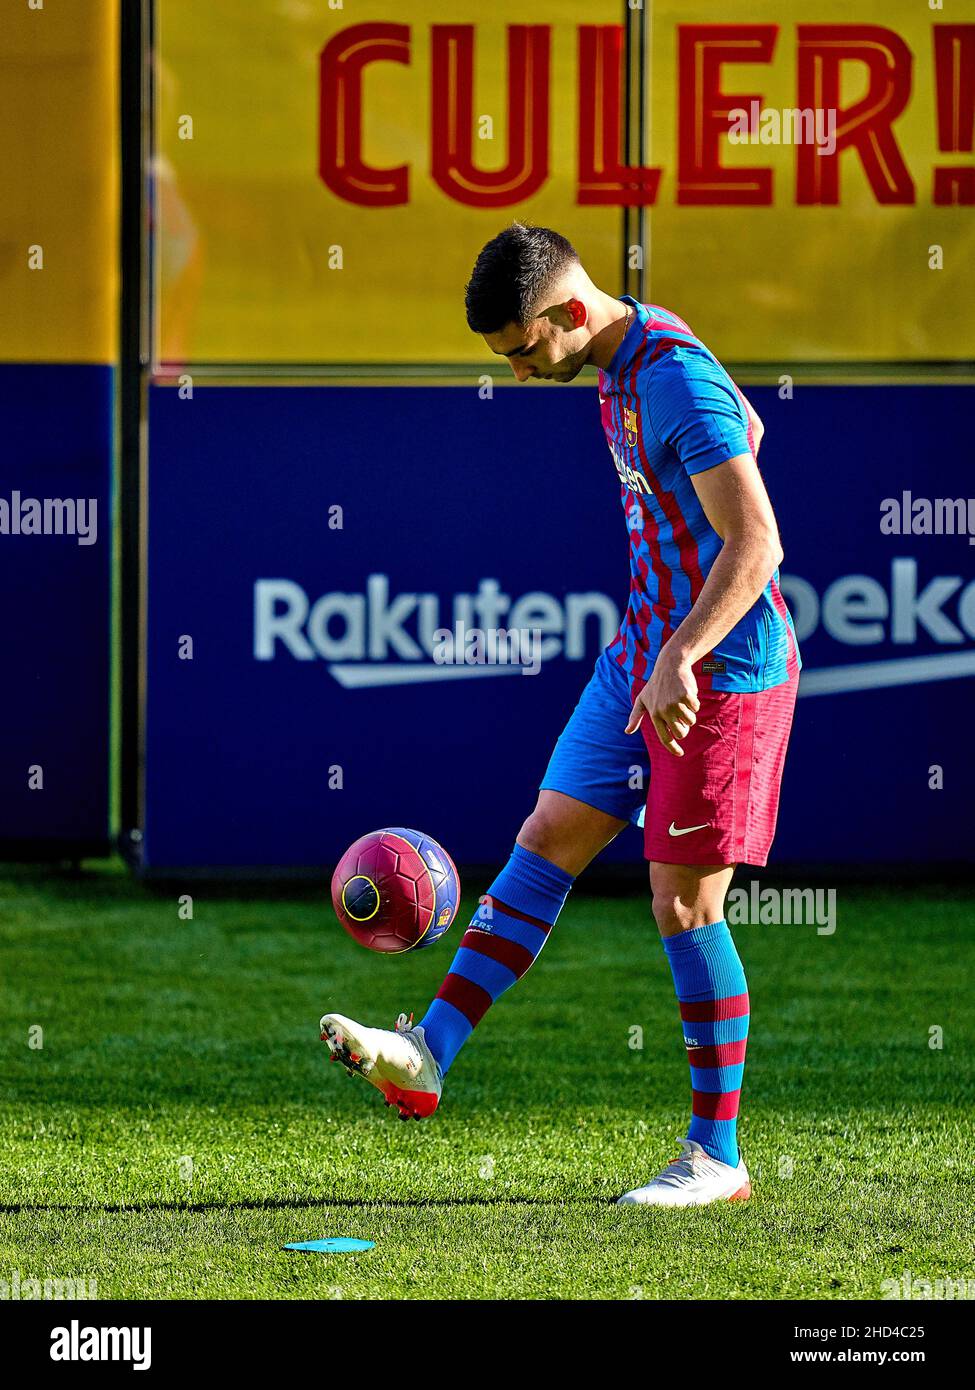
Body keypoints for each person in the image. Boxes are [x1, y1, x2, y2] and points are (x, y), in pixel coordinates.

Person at [321, 223, 801, 1207]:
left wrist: (682, 653)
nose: (520, 370)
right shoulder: (631, 354)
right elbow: (747, 426)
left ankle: (717, 1156)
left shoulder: (669, 375)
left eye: (524, 349)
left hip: (723, 670)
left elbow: (759, 541)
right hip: (644, 658)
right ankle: (427, 1053)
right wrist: (657, 650)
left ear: (570, 312)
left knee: (684, 903)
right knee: (545, 839)